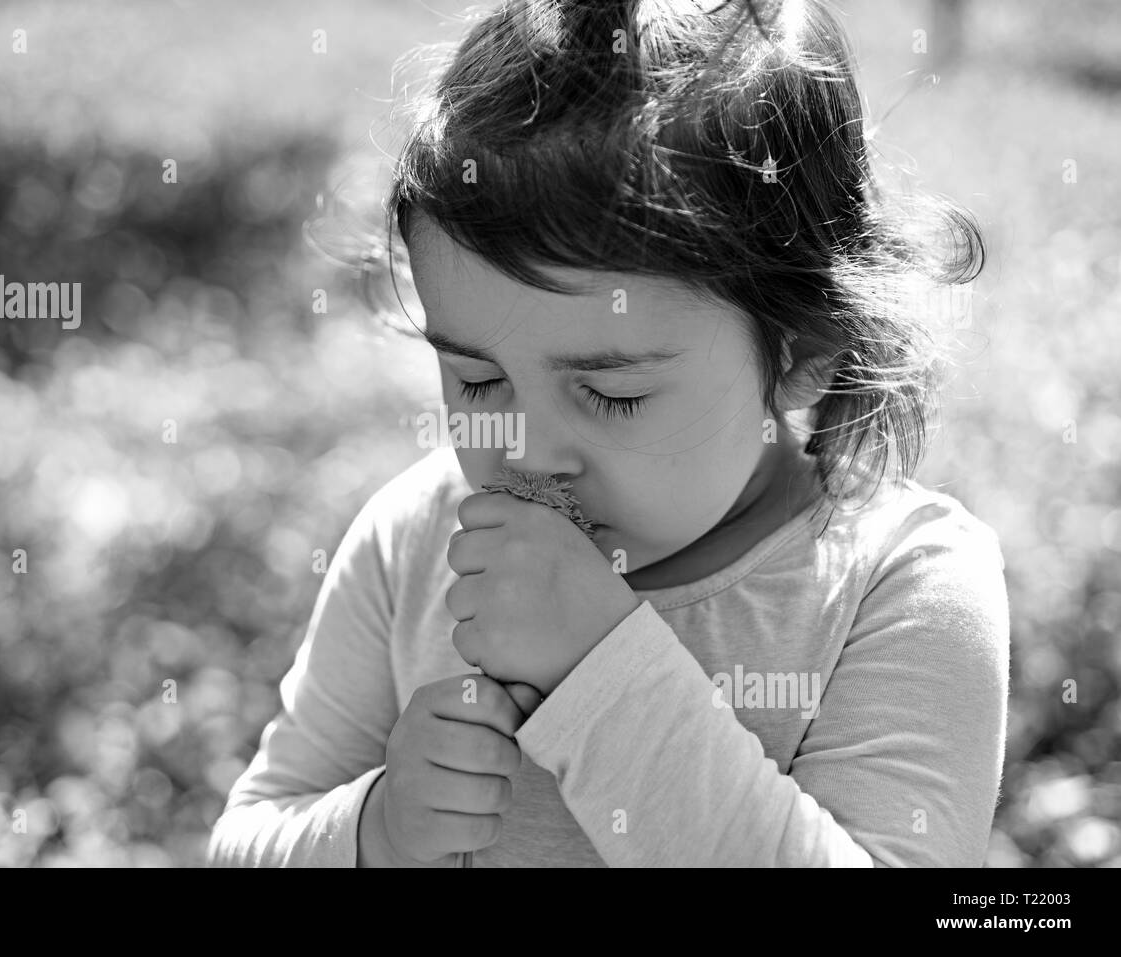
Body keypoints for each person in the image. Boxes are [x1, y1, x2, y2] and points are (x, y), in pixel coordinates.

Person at [209, 0, 1007, 867]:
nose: (528, 451)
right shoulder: (414, 539)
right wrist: (373, 828)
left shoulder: (898, 585)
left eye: (611, 393)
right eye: (478, 380)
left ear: (803, 355)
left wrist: (601, 671)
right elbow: (249, 833)